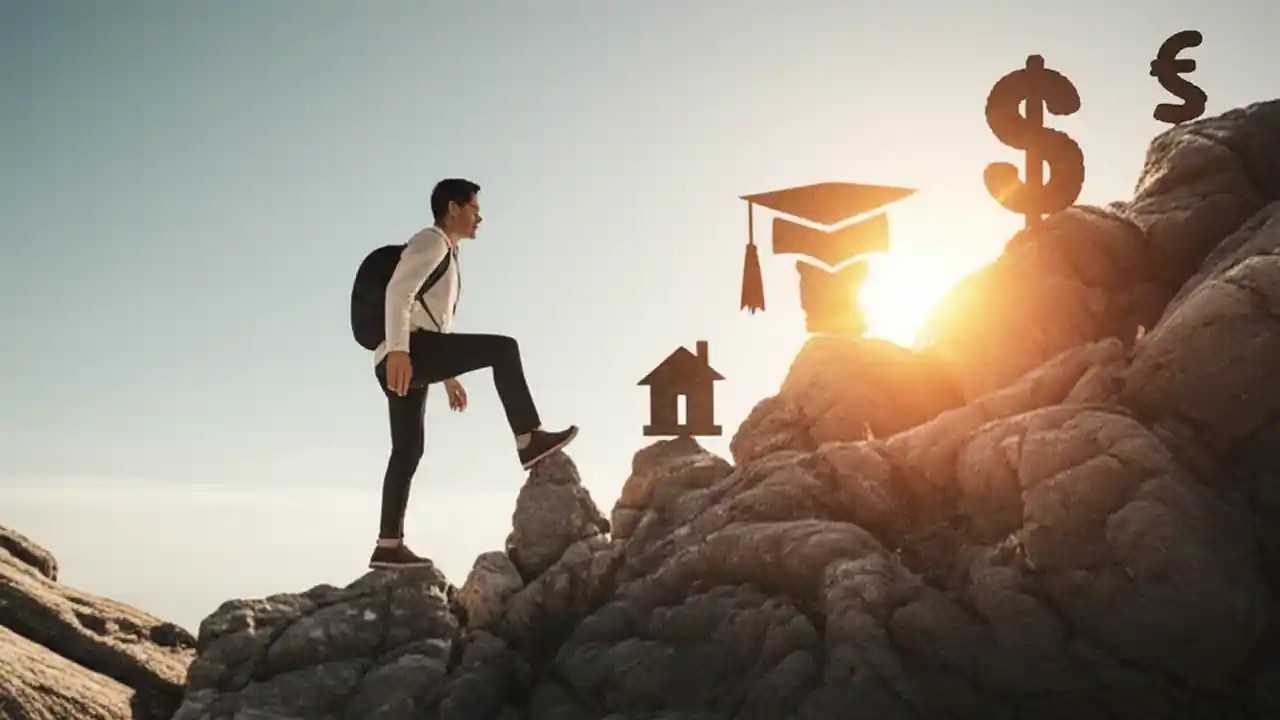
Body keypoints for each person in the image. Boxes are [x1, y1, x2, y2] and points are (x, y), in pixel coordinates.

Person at [368, 178, 578, 569]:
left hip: (409, 354)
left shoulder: (447, 251)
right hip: (405, 353)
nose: (479, 217)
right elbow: (399, 293)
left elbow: (429, 320)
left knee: (407, 450)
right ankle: (529, 439)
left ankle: (387, 545)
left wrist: (446, 377)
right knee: (503, 349)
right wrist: (399, 351)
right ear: (453, 208)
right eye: (474, 209)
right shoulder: (431, 240)